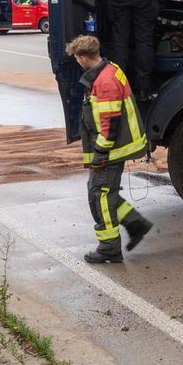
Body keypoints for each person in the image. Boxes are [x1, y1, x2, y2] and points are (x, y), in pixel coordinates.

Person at [67, 34, 153, 263]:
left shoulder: (104, 82)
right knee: (105, 191)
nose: (77, 62)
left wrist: (100, 153)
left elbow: (109, 124)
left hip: (111, 150)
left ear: (83, 57)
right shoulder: (111, 69)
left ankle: (109, 248)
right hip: (115, 147)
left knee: (99, 196)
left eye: (77, 58)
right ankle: (135, 224)